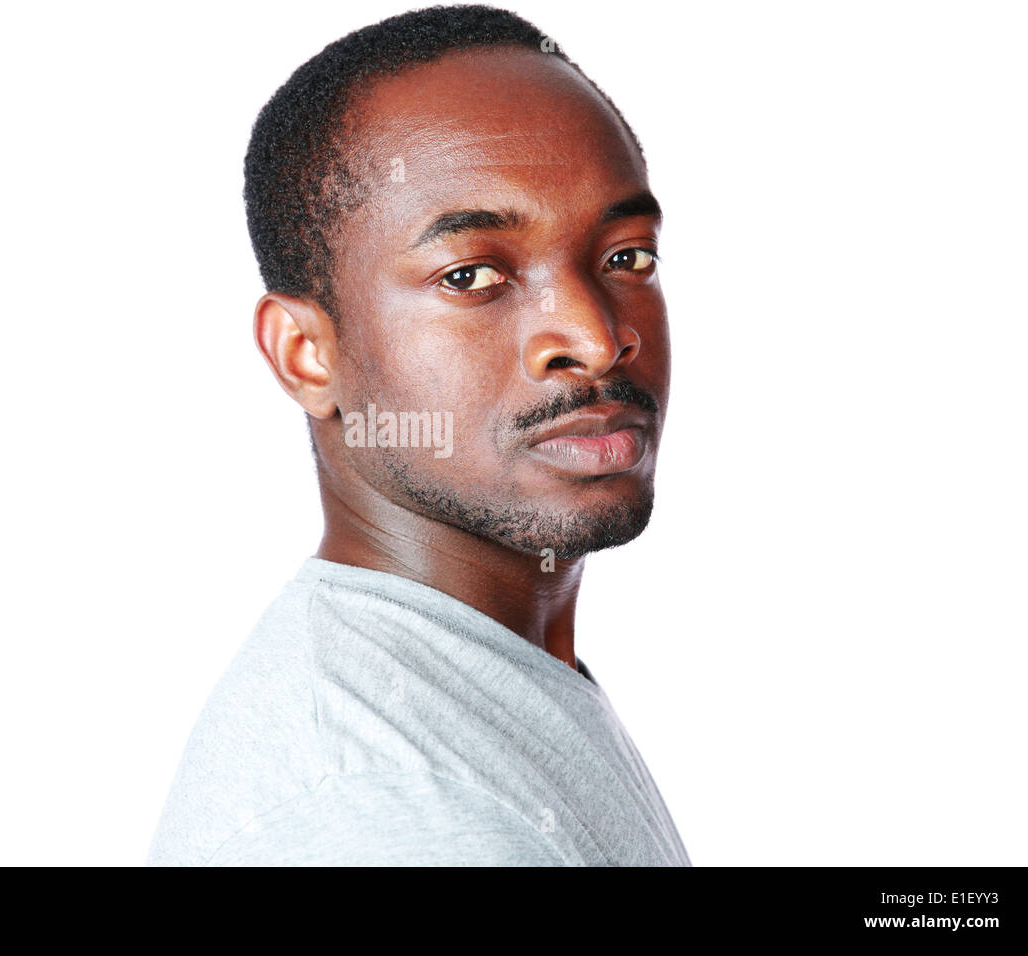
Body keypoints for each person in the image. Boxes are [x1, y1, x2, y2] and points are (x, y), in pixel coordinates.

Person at [147, 4, 690, 866]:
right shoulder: (381, 810)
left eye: (626, 257)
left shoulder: (479, 681)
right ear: (306, 355)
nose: (592, 336)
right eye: (472, 274)